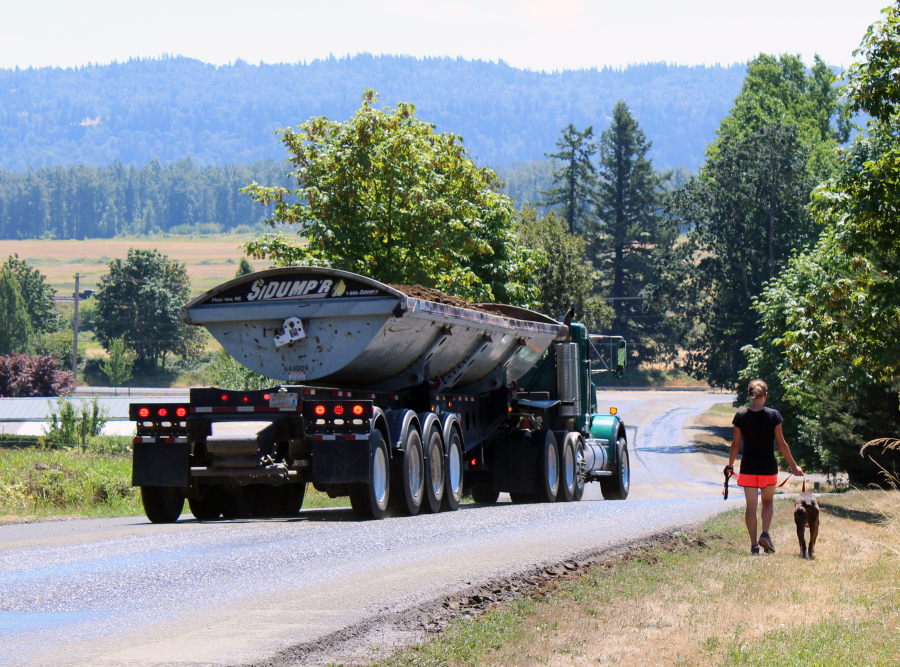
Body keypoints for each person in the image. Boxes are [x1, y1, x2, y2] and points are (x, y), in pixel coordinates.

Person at [726, 379, 803, 555]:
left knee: (751, 506)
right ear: (765, 396)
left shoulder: (741, 416)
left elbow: (735, 445)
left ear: (749, 395)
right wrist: (794, 466)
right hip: (768, 466)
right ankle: (765, 535)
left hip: (749, 466)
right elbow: (782, 444)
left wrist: (730, 466)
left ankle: (754, 545)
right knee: (768, 502)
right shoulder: (774, 415)